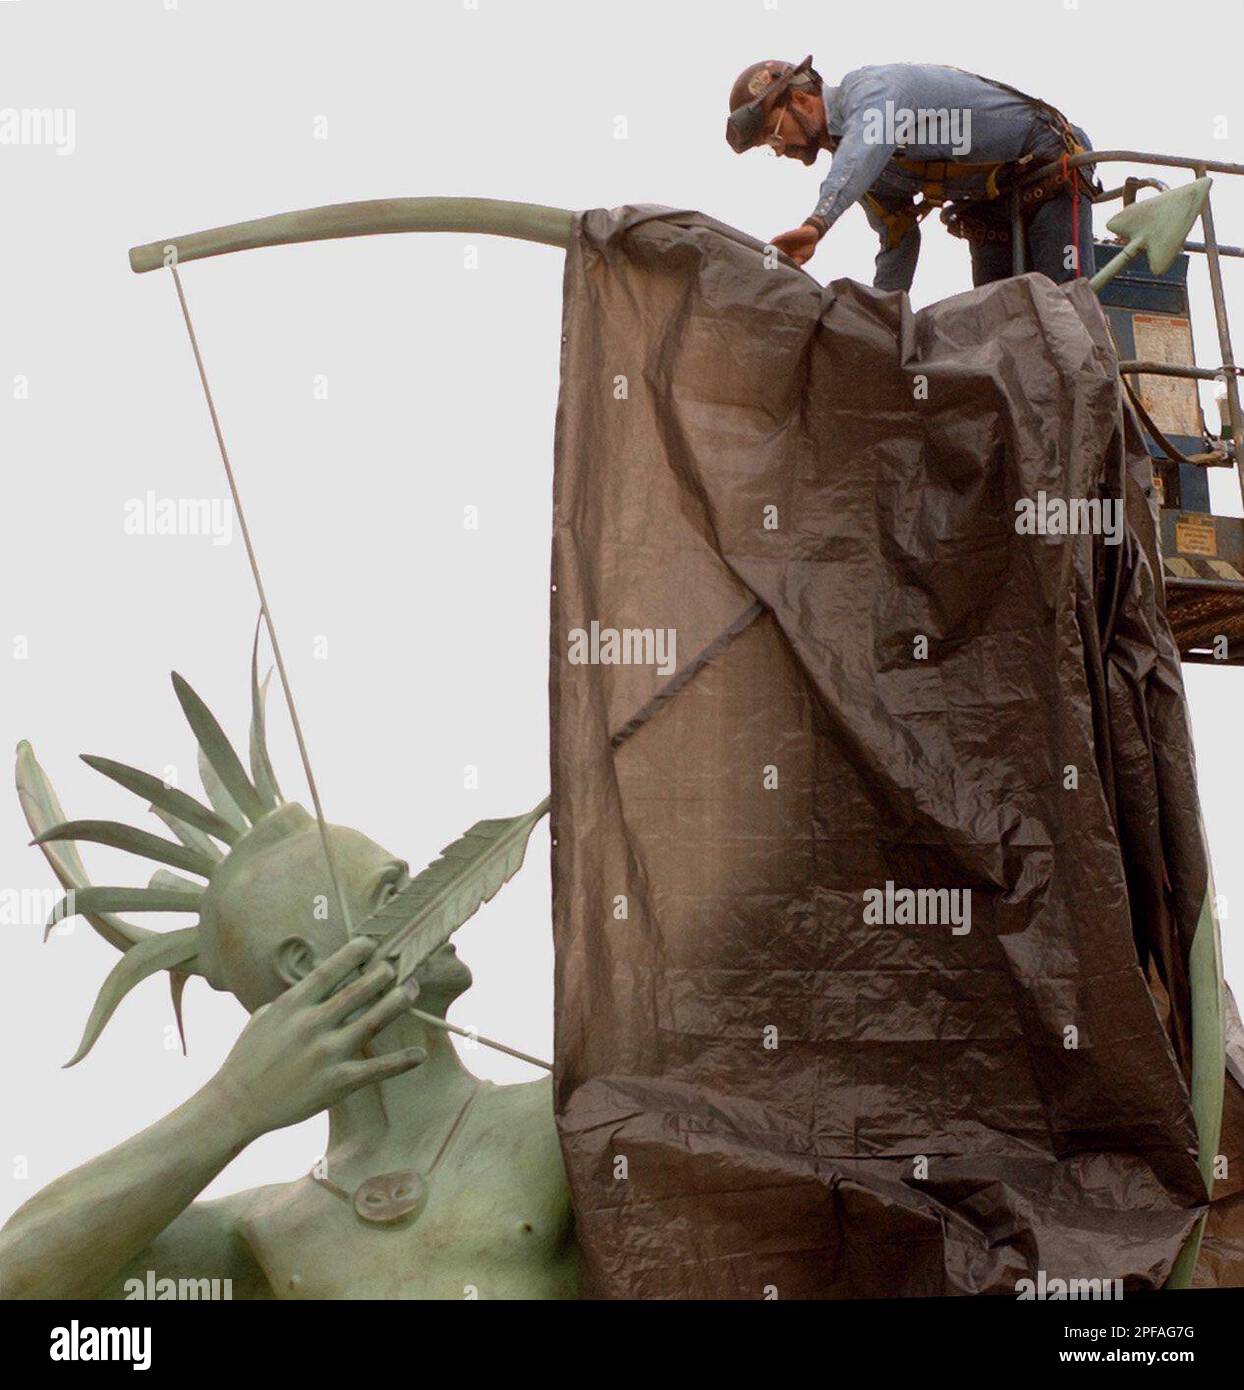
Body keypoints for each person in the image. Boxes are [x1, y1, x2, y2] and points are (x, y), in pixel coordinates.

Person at [1, 673, 576, 1300]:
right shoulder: (267, 1232)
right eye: (390, 891)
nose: (430, 900)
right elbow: (17, 1280)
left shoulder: (557, 1122)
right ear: (304, 966)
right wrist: (233, 1105)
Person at [726, 57, 1097, 291]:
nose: (779, 149)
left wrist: (817, 224)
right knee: (1004, 329)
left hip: (1047, 169)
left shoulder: (869, 91)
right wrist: (879, 326)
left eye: (774, 135)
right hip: (989, 208)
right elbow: (897, 241)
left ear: (801, 101)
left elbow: (868, 141)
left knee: (1065, 312)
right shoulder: (865, 172)